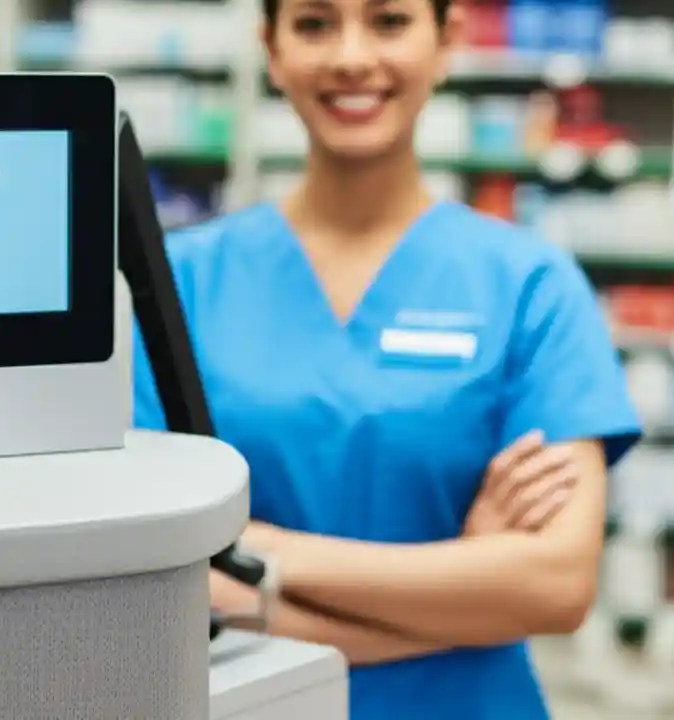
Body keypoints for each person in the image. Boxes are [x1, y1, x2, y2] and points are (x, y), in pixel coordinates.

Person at [131, 0, 642, 717]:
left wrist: (260, 550)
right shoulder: (178, 283)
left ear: (448, 42)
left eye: (390, 21)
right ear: (271, 50)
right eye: (314, 24)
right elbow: (156, 582)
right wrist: (468, 591)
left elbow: (555, 586)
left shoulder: (531, 285)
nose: (351, 56)